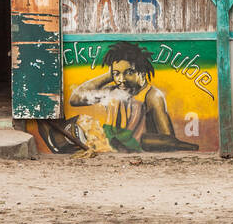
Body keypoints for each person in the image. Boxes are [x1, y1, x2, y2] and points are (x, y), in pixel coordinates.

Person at [68, 42, 197, 152]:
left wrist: (137, 140)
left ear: (141, 72)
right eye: (116, 74)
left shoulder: (152, 96)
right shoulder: (112, 91)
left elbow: (168, 139)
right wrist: (110, 74)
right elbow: (75, 99)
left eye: (129, 72)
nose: (121, 79)